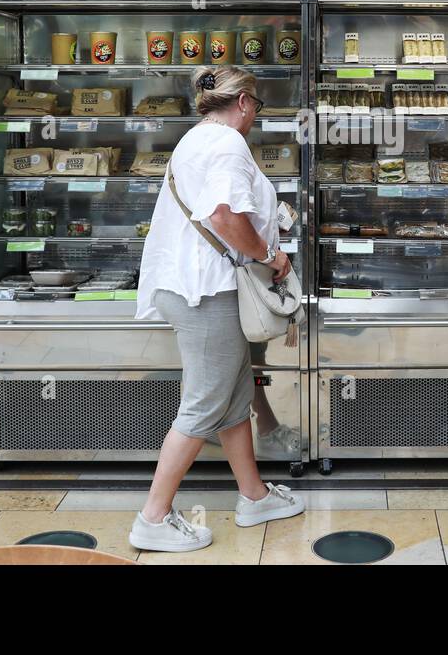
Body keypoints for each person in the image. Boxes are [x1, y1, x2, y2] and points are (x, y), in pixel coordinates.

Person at [130, 65, 305, 552]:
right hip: (204, 290)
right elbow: (224, 215)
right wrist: (269, 254)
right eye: (257, 108)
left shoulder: (196, 138)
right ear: (245, 102)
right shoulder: (228, 143)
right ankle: (153, 516)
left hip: (192, 284)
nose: (254, 117)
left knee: (231, 399)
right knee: (205, 401)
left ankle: (255, 496)